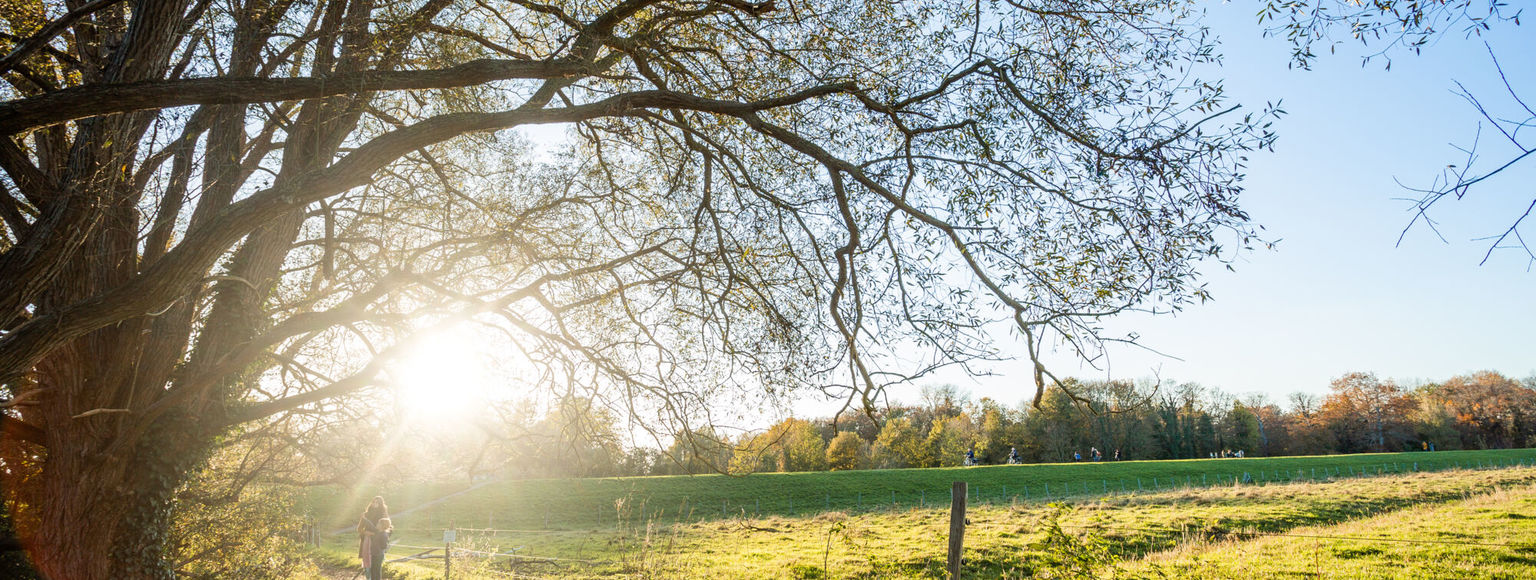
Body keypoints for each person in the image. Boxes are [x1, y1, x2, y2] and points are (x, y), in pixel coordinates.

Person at [358, 496, 389, 576]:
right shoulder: (366, 514)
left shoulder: (383, 515)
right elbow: (359, 529)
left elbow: (387, 528)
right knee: (368, 566)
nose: (374, 504)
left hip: (378, 544)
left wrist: (376, 534)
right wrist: (365, 533)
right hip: (367, 541)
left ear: (380, 504)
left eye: (377, 503)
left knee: (376, 567)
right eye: (373, 502)